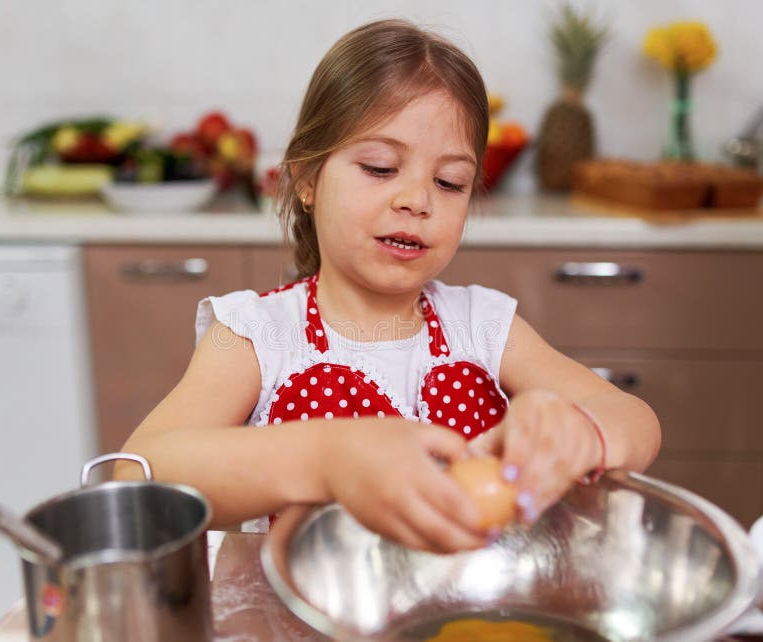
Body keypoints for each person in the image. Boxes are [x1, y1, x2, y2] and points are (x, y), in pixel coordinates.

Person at [119, 19, 660, 553]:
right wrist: (326, 459)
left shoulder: (484, 327)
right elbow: (134, 477)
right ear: (307, 180)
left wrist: (577, 431)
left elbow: (635, 422)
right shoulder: (257, 336)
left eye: (450, 183)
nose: (418, 200)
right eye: (380, 168)